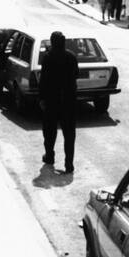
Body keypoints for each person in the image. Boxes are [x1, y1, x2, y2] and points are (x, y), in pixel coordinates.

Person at [39, 30, 79, 174]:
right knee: (69, 133)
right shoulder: (71, 57)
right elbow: (76, 74)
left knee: (49, 131)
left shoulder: (48, 58)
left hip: (52, 100)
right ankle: (69, 164)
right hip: (69, 100)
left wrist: (42, 98)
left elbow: (43, 80)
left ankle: (49, 156)